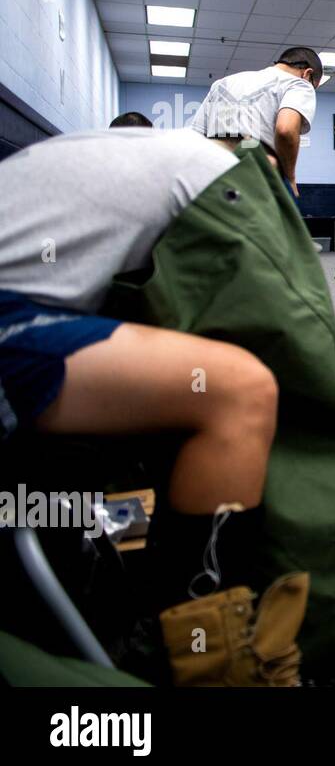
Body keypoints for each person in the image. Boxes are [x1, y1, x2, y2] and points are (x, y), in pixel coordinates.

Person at [0, 127, 276, 597]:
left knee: (181, 370)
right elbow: (268, 297)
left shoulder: (135, 150)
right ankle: (189, 640)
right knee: (241, 387)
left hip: (27, 305)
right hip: (12, 316)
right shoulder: (217, 171)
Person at [189, 46, 321, 196]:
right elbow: (286, 130)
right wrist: (290, 178)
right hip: (259, 177)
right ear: (307, 73)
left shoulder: (222, 83)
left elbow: (196, 137)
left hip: (214, 178)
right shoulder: (298, 84)